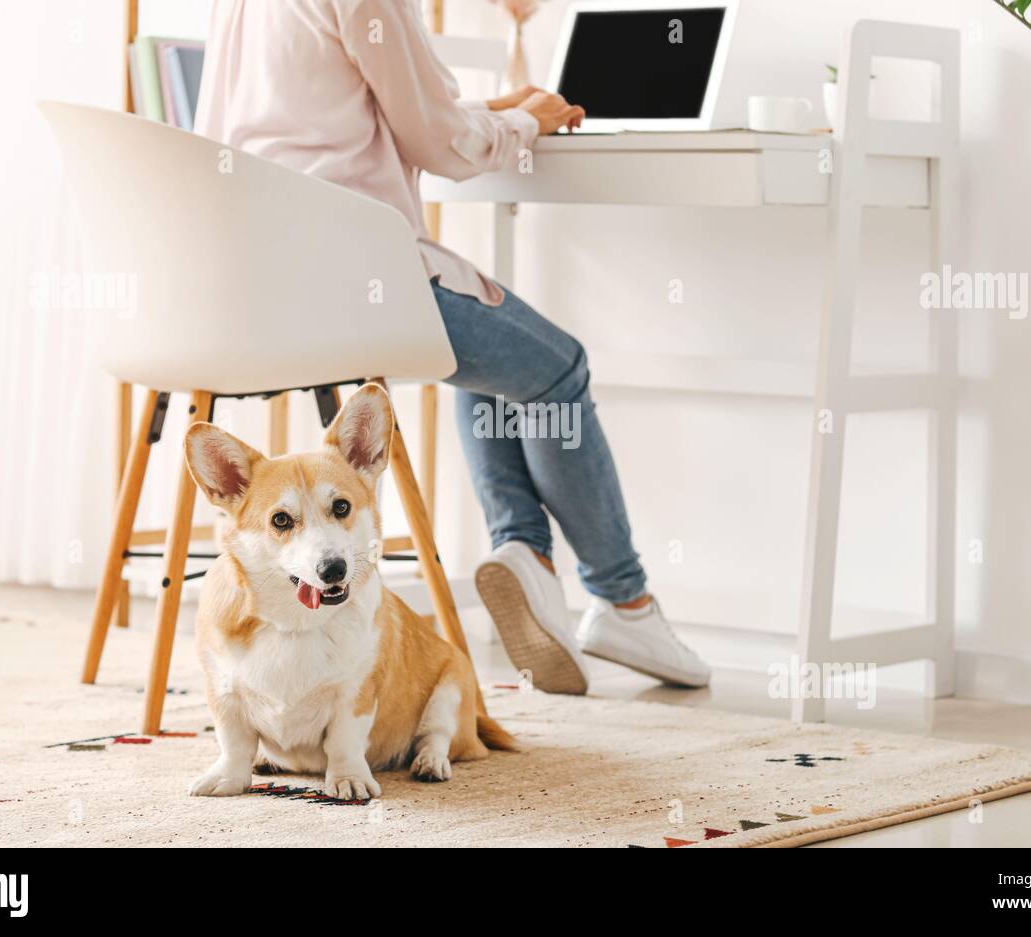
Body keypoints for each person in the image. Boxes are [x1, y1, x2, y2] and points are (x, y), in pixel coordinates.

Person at [195, 0, 709, 693]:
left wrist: (500, 111)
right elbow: (438, 144)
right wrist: (529, 124)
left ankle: (526, 554)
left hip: (253, 289)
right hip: (356, 277)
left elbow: (361, 118)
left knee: (491, 369)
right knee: (559, 370)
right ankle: (623, 601)